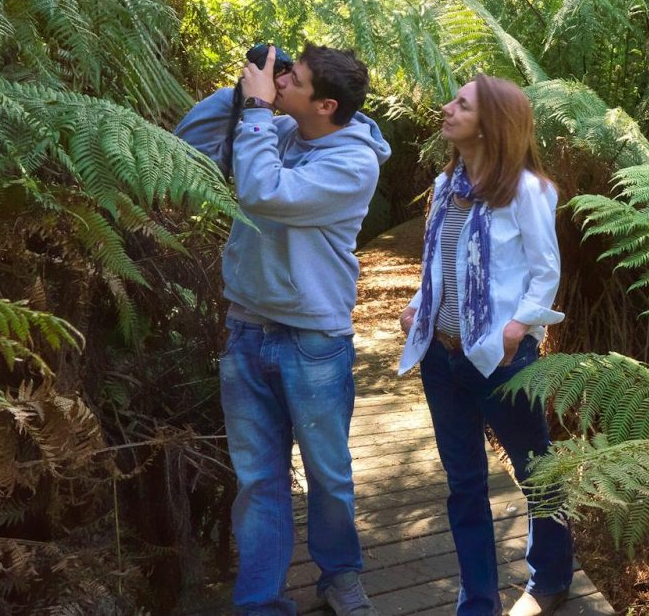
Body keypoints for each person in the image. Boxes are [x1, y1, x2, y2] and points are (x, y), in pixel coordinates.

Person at [175, 43, 391, 616]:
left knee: (329, 475)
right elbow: (188, 150)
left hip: (311, 340)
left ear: (325, 105)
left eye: (295, 78)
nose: (283, 81)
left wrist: (254, 111)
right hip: (246, 329)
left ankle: (340, 574)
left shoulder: (353, 162)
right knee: (257, 481)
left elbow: (263, 192)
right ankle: (260, 603)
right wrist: (243, 88)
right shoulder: (282, 131)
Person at [397, 74, 573, 616]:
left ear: (491, 123)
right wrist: (419, 303)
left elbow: (546, 272)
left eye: (461, 104)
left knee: (536, 473)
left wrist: (516, 328)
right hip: (441, 355)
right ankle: (477, 601)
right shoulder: (446, 185)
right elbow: (439, 262)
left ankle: (550, 580)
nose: (446, 108)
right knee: (464, 483)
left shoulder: (527, 190)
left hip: (500, 360)